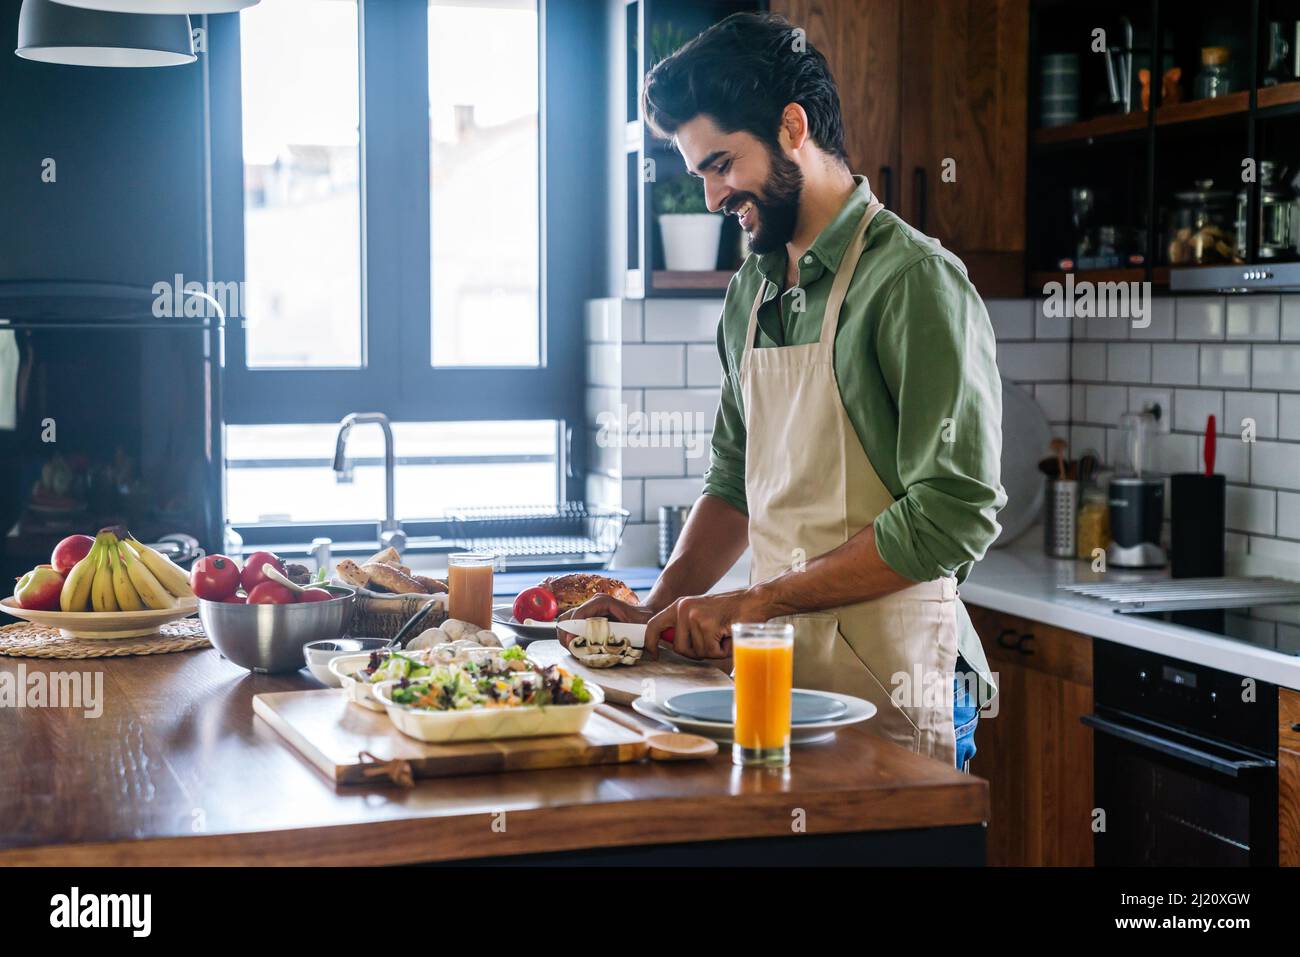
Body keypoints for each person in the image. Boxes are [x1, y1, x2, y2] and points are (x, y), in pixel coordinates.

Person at [564, 12, 1004, 770]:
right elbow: (734, 483)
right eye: (699, 171)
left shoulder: (913, 283)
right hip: (780, 683)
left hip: (901, 683)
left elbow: (954, 513)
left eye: (721, 164)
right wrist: (652, 610)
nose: (710, 197)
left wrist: (759, 600)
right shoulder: (751, 295)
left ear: (792, 126)